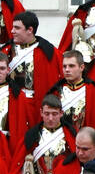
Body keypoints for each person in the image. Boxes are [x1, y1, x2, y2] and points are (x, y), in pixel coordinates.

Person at [7, 11, 62, 146]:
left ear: (30, 30)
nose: (12, 31)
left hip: (36, 105)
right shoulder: (7, 50)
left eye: (17, 28)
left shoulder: (49, 51)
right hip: (13, 104)